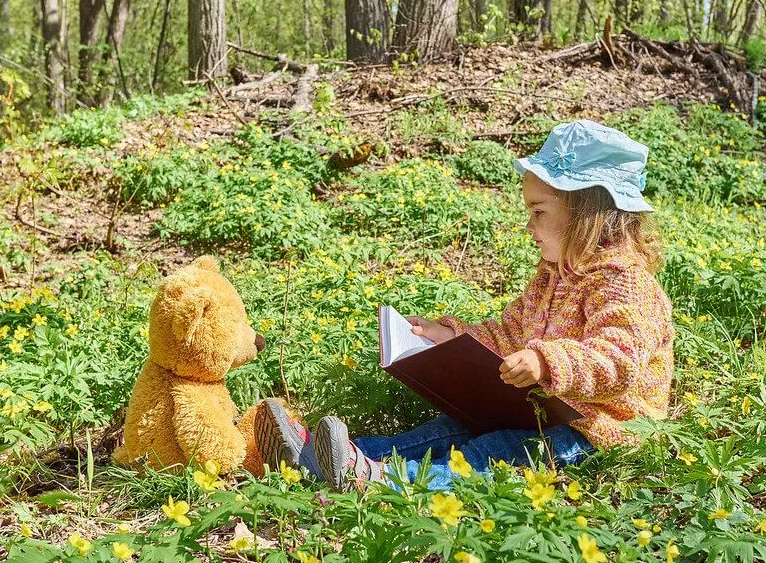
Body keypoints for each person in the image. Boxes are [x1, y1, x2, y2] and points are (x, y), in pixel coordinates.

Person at [255, 120, 675, 492]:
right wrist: (453, 337)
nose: (528, 225)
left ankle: (379, 480)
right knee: (446, 430)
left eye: (539, 211)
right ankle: (331, 458)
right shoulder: (554, 274)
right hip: (538, 411)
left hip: (596, 432)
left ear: (587, 213)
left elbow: (620, 360)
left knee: (496, 454)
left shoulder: (626, 282)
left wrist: (547, 362)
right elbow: (511, 330)